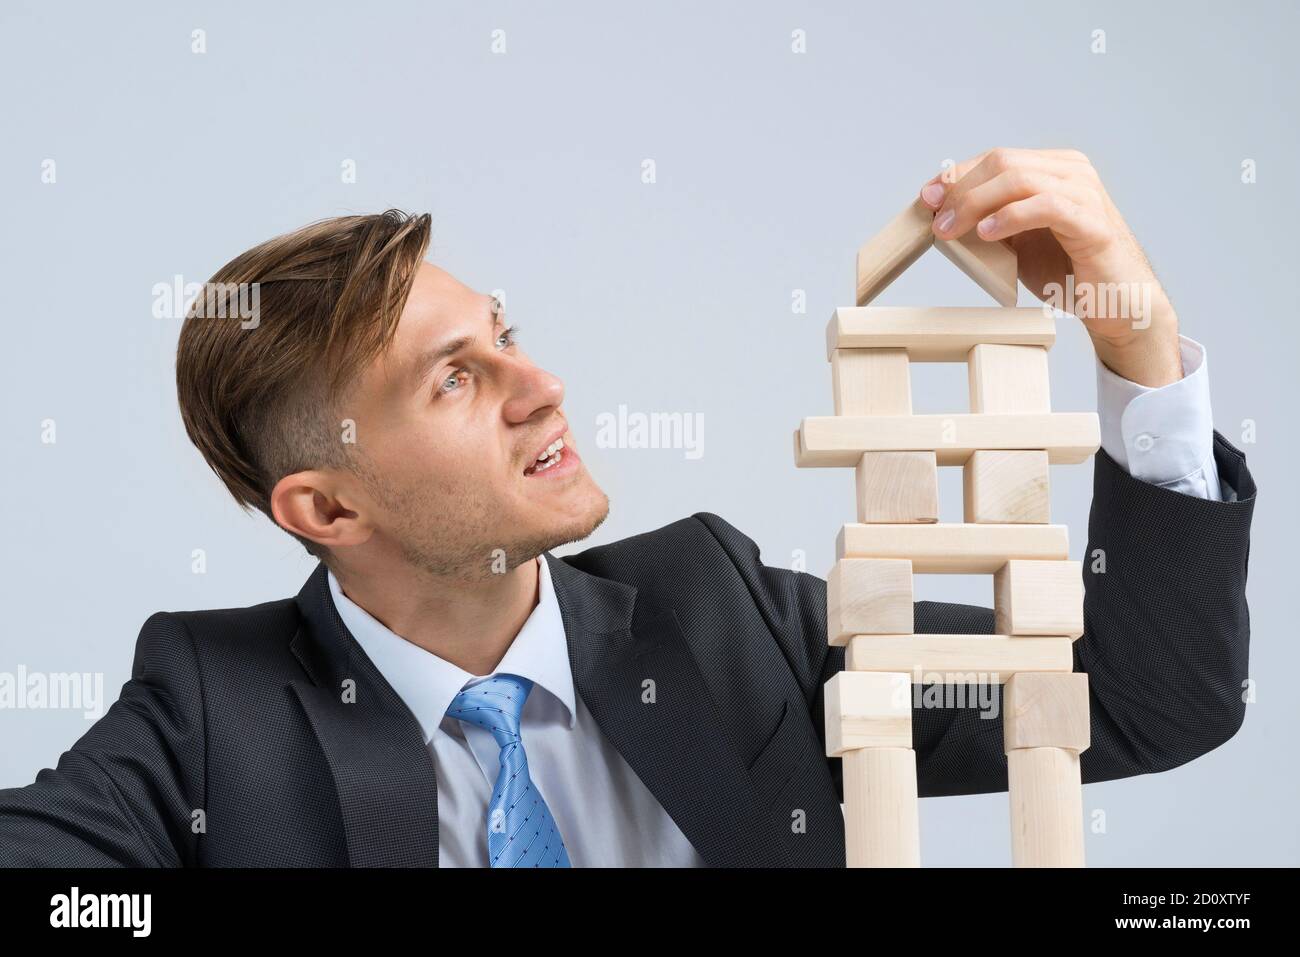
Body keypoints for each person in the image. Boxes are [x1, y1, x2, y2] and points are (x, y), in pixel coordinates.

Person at [0, 148, 1256, 867]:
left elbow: (1149, 702)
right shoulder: (210, 712)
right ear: (325, 507)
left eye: (506, 337)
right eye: (455, 378)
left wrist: (1132, 339)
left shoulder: (720, 616)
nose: (541, 388)